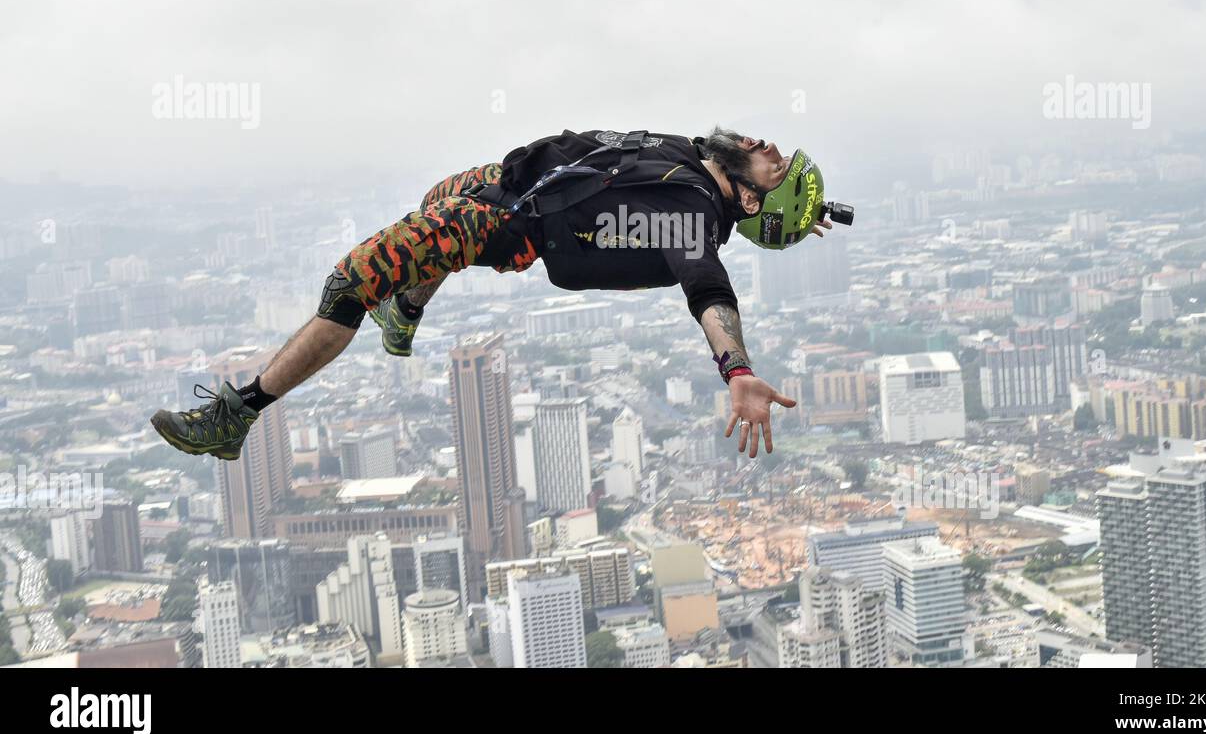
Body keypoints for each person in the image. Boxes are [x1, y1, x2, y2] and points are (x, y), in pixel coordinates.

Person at [150, 127, 851, 462]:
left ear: (757, 196)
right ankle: (409, 310)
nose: (767, 144)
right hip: (510, 179)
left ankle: (238, 415)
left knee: (351, 282)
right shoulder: (701, 157)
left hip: (511, 219)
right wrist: (805, 207)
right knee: (431, 201)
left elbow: (706, 284)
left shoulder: (694, 210)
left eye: (776, 162)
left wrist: (738, 368)